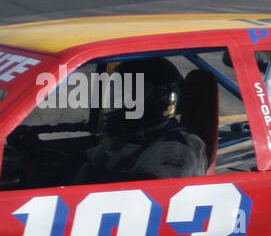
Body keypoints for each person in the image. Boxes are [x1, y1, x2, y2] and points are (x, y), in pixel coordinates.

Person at [77, 57, 208, 183]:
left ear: (159, 99)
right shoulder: (132, 136)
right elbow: (93, 156)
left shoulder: (177, 149)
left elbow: (154, 193)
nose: (120, 101)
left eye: (131, 95)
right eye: (119, 93)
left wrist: (84, 173)